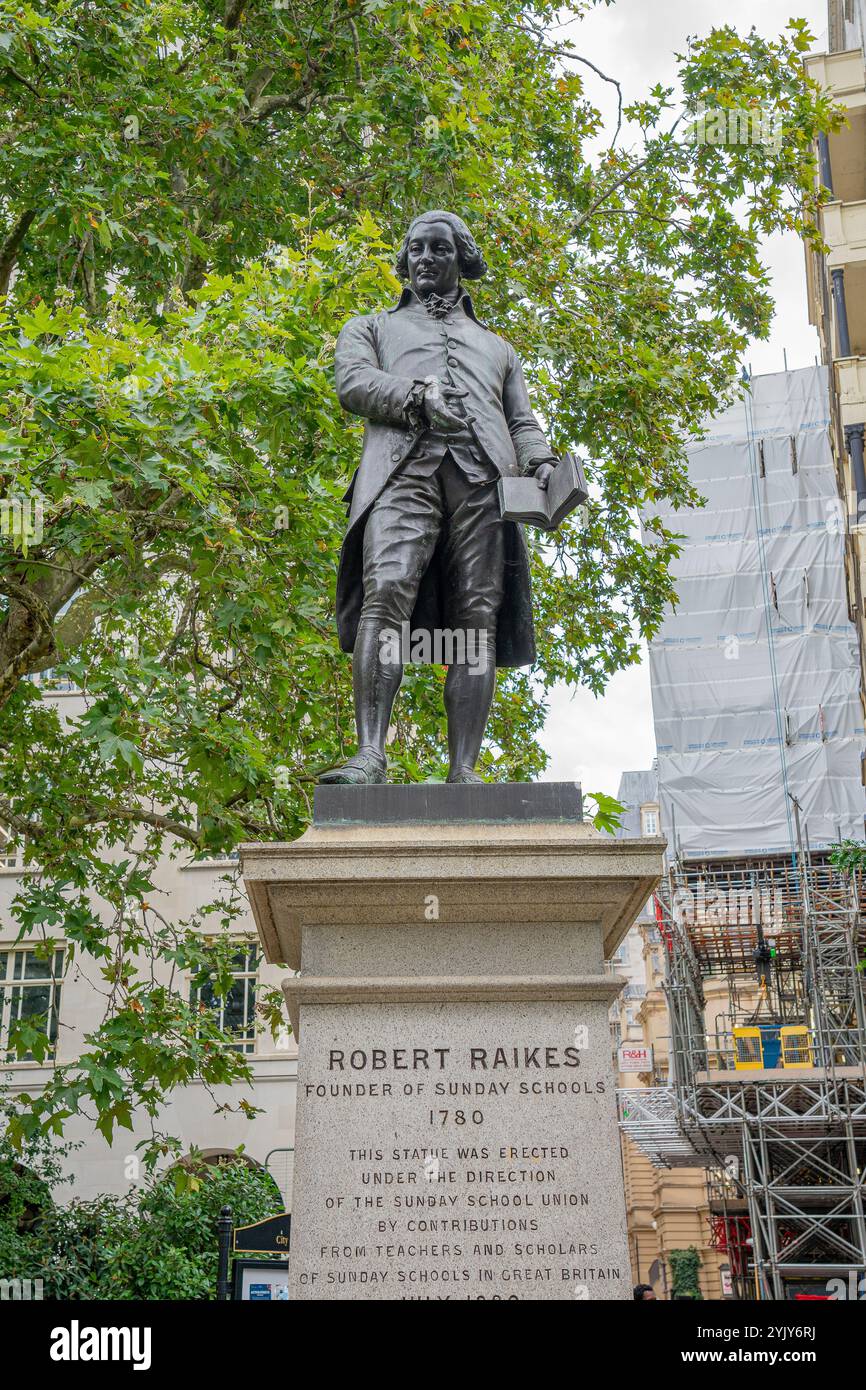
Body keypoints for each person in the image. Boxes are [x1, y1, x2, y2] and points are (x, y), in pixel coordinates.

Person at [320, 210, 559, 785]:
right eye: (416, 249)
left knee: (476, 620)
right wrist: (417, 397)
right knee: (385, 595)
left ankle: (464, 770)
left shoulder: (498, 348)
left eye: (439, 250)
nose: (425, 258)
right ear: (404, 262)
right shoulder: (371, 327)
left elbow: (521, 422)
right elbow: (352, 382)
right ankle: (370, 757)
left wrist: (544, 463)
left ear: (462, 260)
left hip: (482, 486)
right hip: (402, 476)